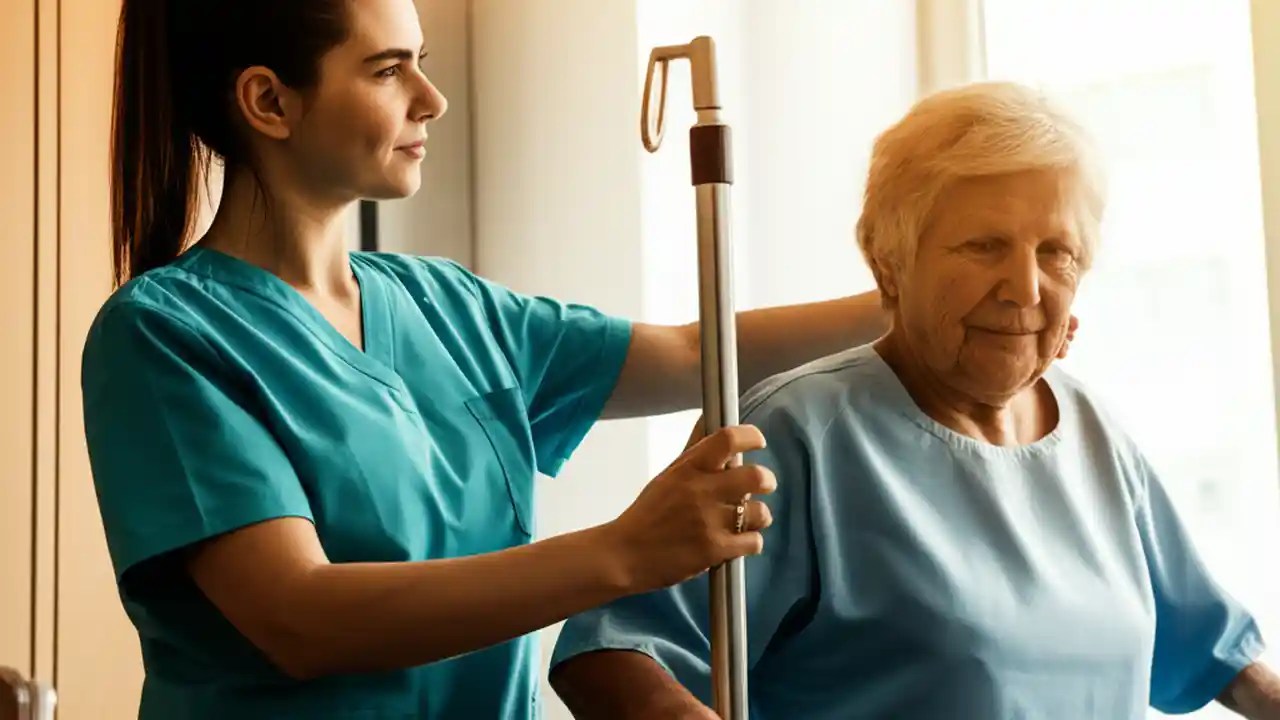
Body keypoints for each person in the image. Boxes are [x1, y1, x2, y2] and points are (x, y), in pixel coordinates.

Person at [78, 1, 929, 717]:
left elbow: (690, 352)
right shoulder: (168, 335)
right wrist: (627, 551)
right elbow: (301, 618)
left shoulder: (447, 305)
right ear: (269, 101)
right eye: (387, 70)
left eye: (424, 62)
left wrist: (918, 302)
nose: (432, 98)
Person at [548, 81, 1280, 719]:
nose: (1024, 288)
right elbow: (614, 655)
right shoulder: (794, 434)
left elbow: (1211, 649)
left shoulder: (1093, 434)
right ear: (889, 260)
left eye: (1055, 252)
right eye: (984, 246)